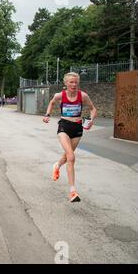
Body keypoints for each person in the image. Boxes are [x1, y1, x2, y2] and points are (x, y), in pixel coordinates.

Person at [43, 72, 97, 202]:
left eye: (76, 82)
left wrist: (90, 120)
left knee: (67, 156)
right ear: (66, 83)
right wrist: (47, 115)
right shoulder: (59, 95)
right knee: (71, 157)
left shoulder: (83, 95)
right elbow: (51, 103)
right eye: (71, 82)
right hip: (64, 127)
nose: (74, 84)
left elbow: (93, 109)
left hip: (77, 128)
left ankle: (57, 165)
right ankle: (73, 191)